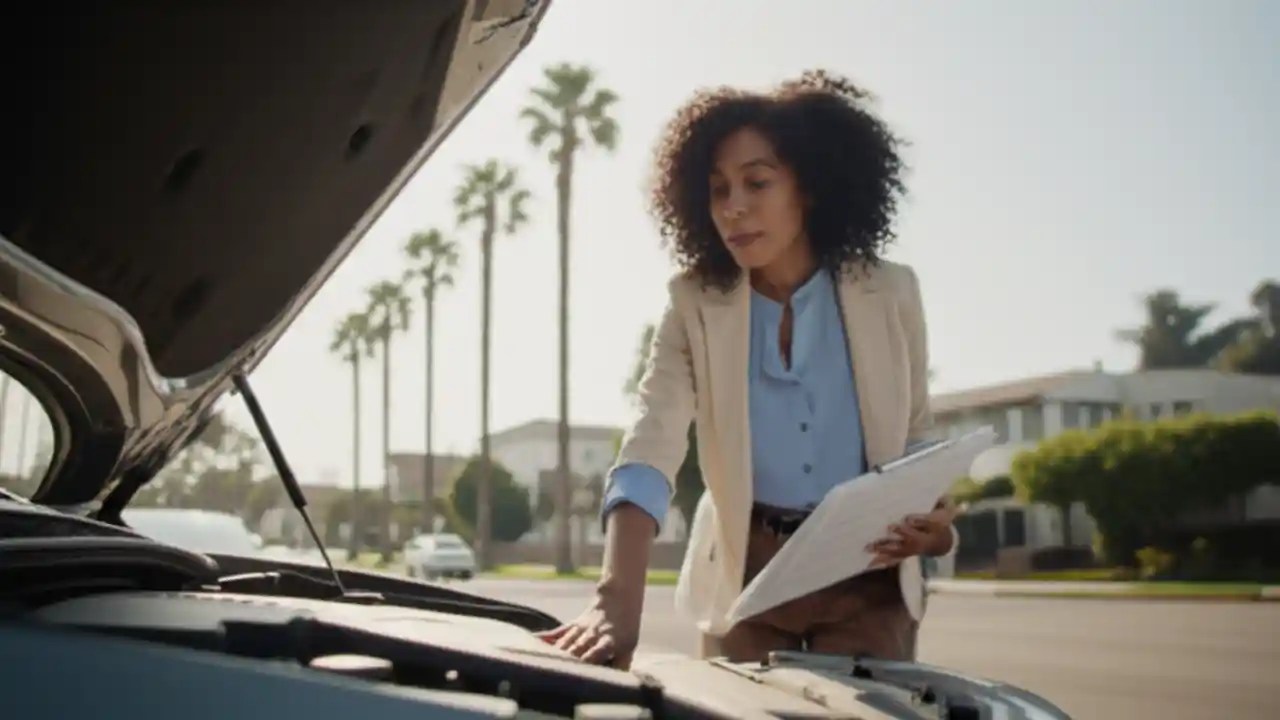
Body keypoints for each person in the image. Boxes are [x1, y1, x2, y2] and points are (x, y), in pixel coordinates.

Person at [537, 70, 958, 668]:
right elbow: (650, 449)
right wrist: (615, 600)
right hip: (745, 580)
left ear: (808, 188)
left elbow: (916, 437)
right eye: (717, 190)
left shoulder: (890, 292)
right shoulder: (693, 304)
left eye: (756, 182)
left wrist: (937, 530)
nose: (733, 208)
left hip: (870, 575)